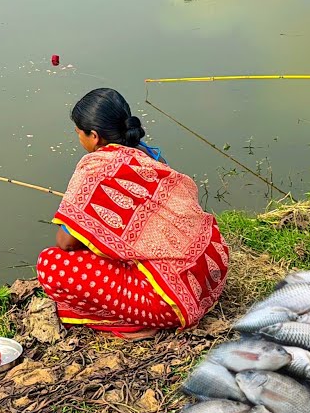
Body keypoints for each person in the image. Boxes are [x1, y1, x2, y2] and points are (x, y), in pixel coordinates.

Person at [35, 88, 229, 339]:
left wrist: (85, 223)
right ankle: (146, 309)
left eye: (78, 132)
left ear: (93, 136)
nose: (78, 137)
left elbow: (66, 242)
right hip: (211, 270)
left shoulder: (94, 168)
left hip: (173, 301)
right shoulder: (149, 154)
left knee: (51, 263)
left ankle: (139, 321)